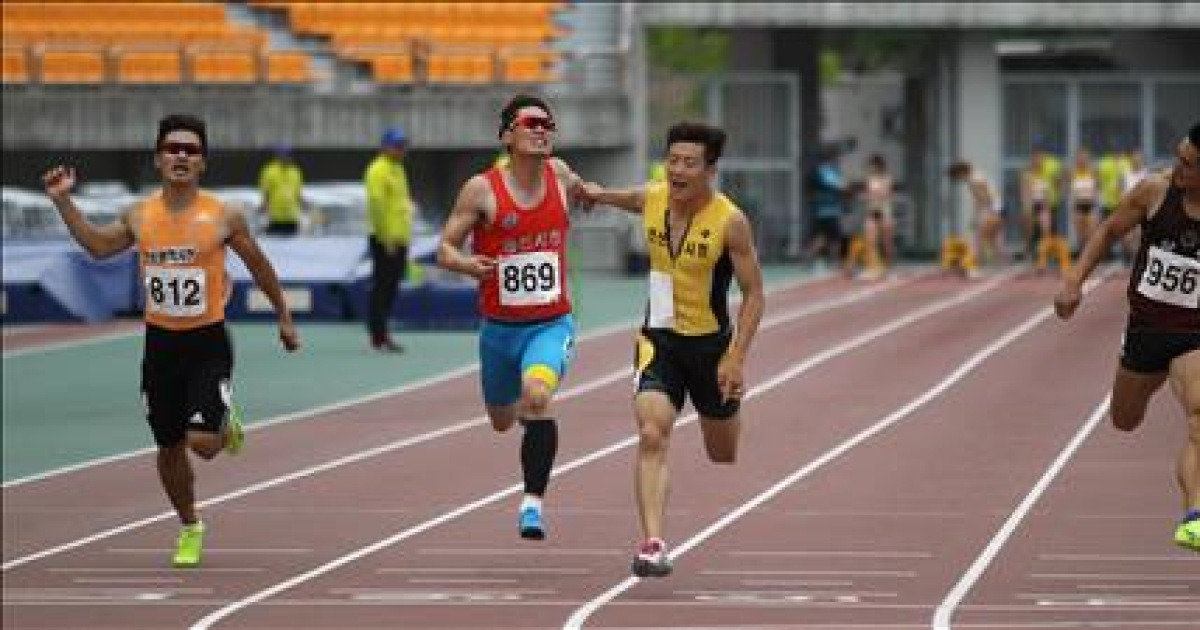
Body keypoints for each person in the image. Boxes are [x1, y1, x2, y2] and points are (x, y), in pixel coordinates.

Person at [41, 113, 301, 568]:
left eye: (191, 150)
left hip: (207, 343)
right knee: (168, 448)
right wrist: (64, 202)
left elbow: (259, 266)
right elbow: (99, 247)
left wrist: (283, 315)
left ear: (203, 163)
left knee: (202, 442)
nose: (181, 156)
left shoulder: (224, 216)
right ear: (158, 159)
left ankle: (222, 420)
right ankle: (189, 525)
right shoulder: (141, 215)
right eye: (172, 149)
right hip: (160, 345)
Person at [578, 121, 766, 577]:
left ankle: (723, 407)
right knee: (651, 433)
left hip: (710, 349)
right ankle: (653, 544)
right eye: (673, 160)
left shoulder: (730, 221)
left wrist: (735, 357)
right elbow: (632, 198)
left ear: (710, 170)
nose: (678, 170)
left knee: (722, 452)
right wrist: (595, 194)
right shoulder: (656, 196)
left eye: (689, 163)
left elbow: (755, 294)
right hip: (657, 341)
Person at [436, 94, 585, 540]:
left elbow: (585, 190)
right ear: (507, 135)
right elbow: (444, 248)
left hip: (550, 323)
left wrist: (596, 197)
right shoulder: (481, 189)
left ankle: (532, 504)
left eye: (548, 124)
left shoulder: (559, 175)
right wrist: (465, 265)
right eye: (531, 123)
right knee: (503, 419)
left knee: (536, 396)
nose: (542, 130)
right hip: (499, 331)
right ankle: (522, 417)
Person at [1053, 121, 1200, 552]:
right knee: (1125, 418)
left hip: (1194, 333)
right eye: (1178, 157)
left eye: (1189, 165)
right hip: (1146, 330)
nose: (1178, 168)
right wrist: (1073, 282)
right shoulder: (1155, 192)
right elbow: (1107, 231)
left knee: (1198, 416)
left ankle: (1195, 515)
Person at [364, 126, 414, 353]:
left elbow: (399, 203)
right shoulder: (377, 169)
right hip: (385, 240)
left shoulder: (398, 169)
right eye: (397, 145)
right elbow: (377, 206)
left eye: (403, 145)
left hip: (399, 238)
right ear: (384, 146)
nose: (401, 149)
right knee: (382, 288)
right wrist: (386, 238)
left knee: (391, 288)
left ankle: (383, 333)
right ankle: (378, 336)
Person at [948, 160, 1006, 268]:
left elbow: (986, 197)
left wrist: (989, 214)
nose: (959, 180)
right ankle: (1001, 263)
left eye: (957, 177)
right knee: (993, 238)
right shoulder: (974, 177)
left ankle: (974, 263)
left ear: (961, 172)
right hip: (997, 208)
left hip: (994, 209)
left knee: (980, 236)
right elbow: (979, 199)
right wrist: (976, 216)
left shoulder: (975, 179)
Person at [802, 145, 848, 267]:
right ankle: (813, 259)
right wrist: (843, 188)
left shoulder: (829, 170)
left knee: (829, 237)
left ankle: (831, 260)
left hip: (828, 209)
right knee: (829, 238)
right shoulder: (825, 171)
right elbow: (836, 186)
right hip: (826, 210)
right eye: (835, 157)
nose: (837, 159)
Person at [257, 144, 306, 236]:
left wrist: (304, 205)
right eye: (283, 155)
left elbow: (297, 193)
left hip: (292, 217)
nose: (286, 157)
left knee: (292, 245)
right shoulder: (269, 171)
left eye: (288, 155)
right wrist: (264, 207)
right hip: (274, 217)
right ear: (277, 156)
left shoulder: (296, 171)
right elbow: (265, 192)